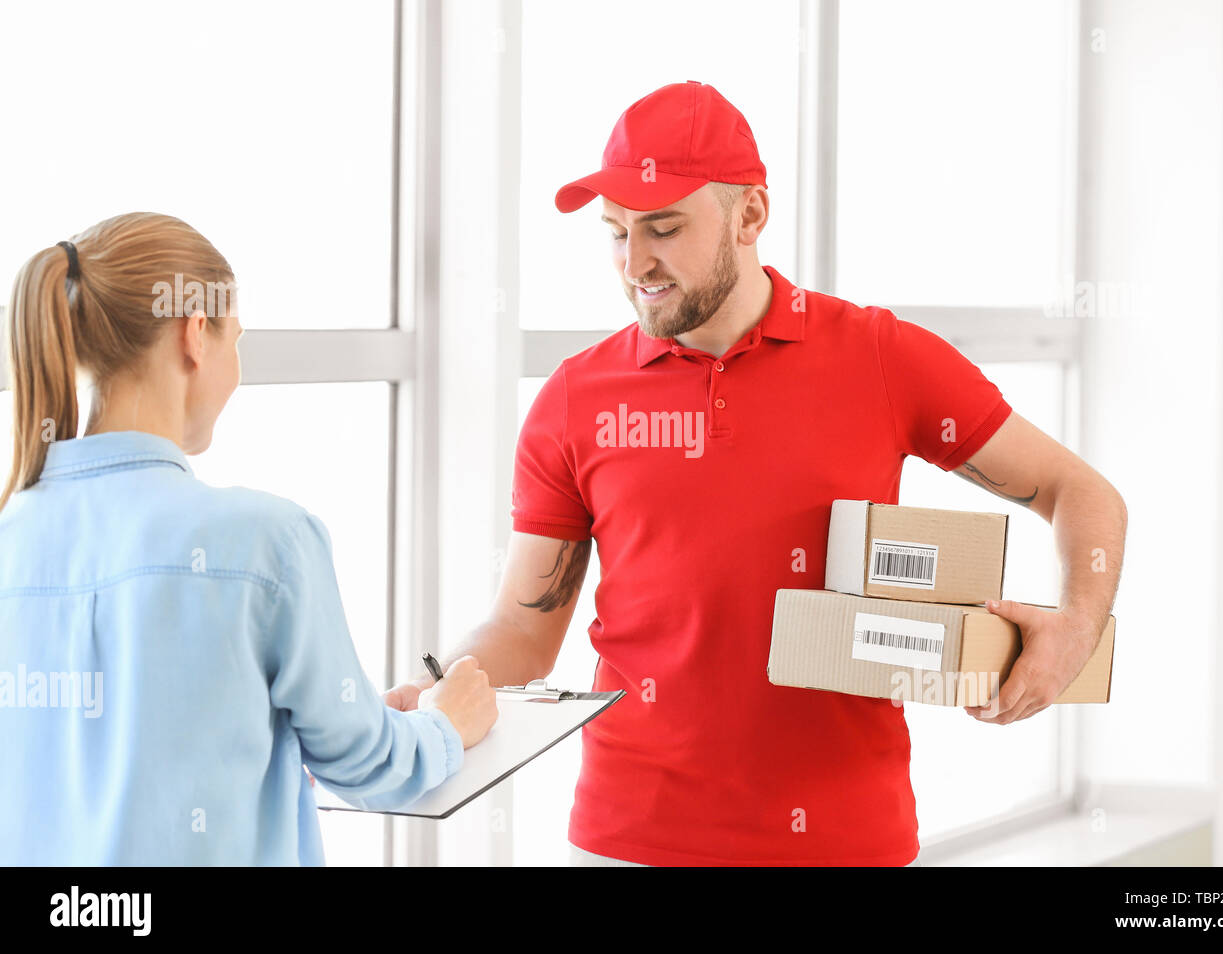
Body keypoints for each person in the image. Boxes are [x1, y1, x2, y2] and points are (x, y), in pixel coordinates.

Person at [381, 82, 1128, 866]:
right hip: (630, 841)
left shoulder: (878, 357)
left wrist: (1077, 628)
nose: (635, 263)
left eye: (663, 228)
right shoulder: (575, 400)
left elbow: (1081, 493)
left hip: (845, 841)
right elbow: (524, 632)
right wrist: (437, 682)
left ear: (750, 216)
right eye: (616, 233)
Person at [0, 212, 498, 865]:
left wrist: (307, 721)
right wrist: (444, 724)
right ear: (194, 335)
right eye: (237, 340)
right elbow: (372, 768)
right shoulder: (266, 541)